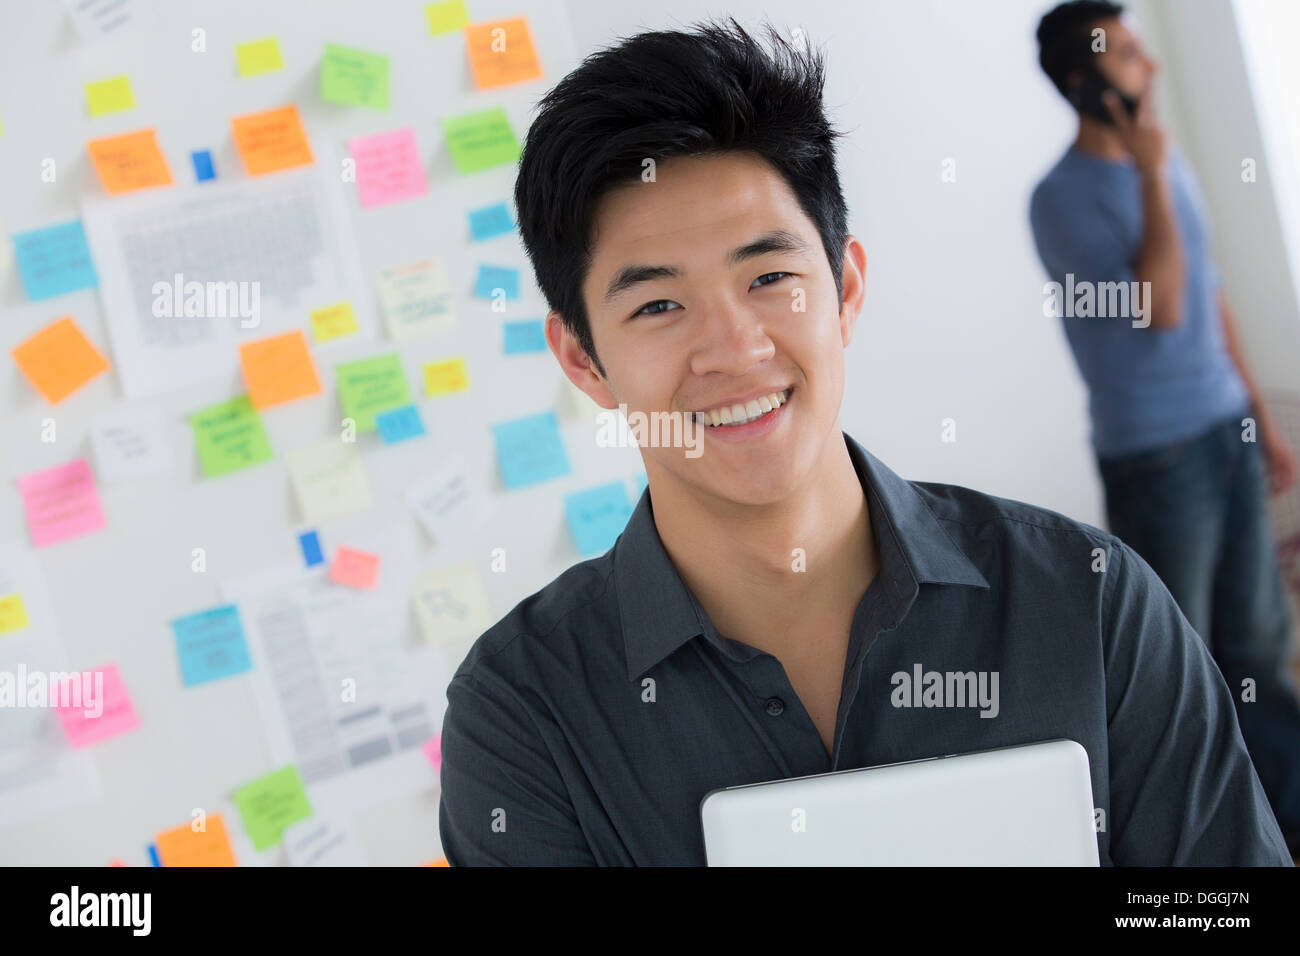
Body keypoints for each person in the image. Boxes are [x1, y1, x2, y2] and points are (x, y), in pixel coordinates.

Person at [437, 17, 1292, 865]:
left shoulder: (1091, 604)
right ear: (583, 358)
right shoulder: (522, 713)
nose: (737, 351)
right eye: (658, 304)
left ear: (845, 289)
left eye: (770, 277)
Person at [1030, 0, 1300, 855]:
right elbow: (1162, 303)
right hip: (1157, 455)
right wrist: (1148, 172)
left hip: (1222, 426)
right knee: (1182, 668)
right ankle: (1201, 842)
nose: (1146, 68)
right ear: (1086, 83)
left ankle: (1284, 822)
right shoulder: (1062, 199)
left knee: (1258, 646)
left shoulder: (1166, 162)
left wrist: (1260, 414)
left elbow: (1210, 295)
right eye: (1128, 56)